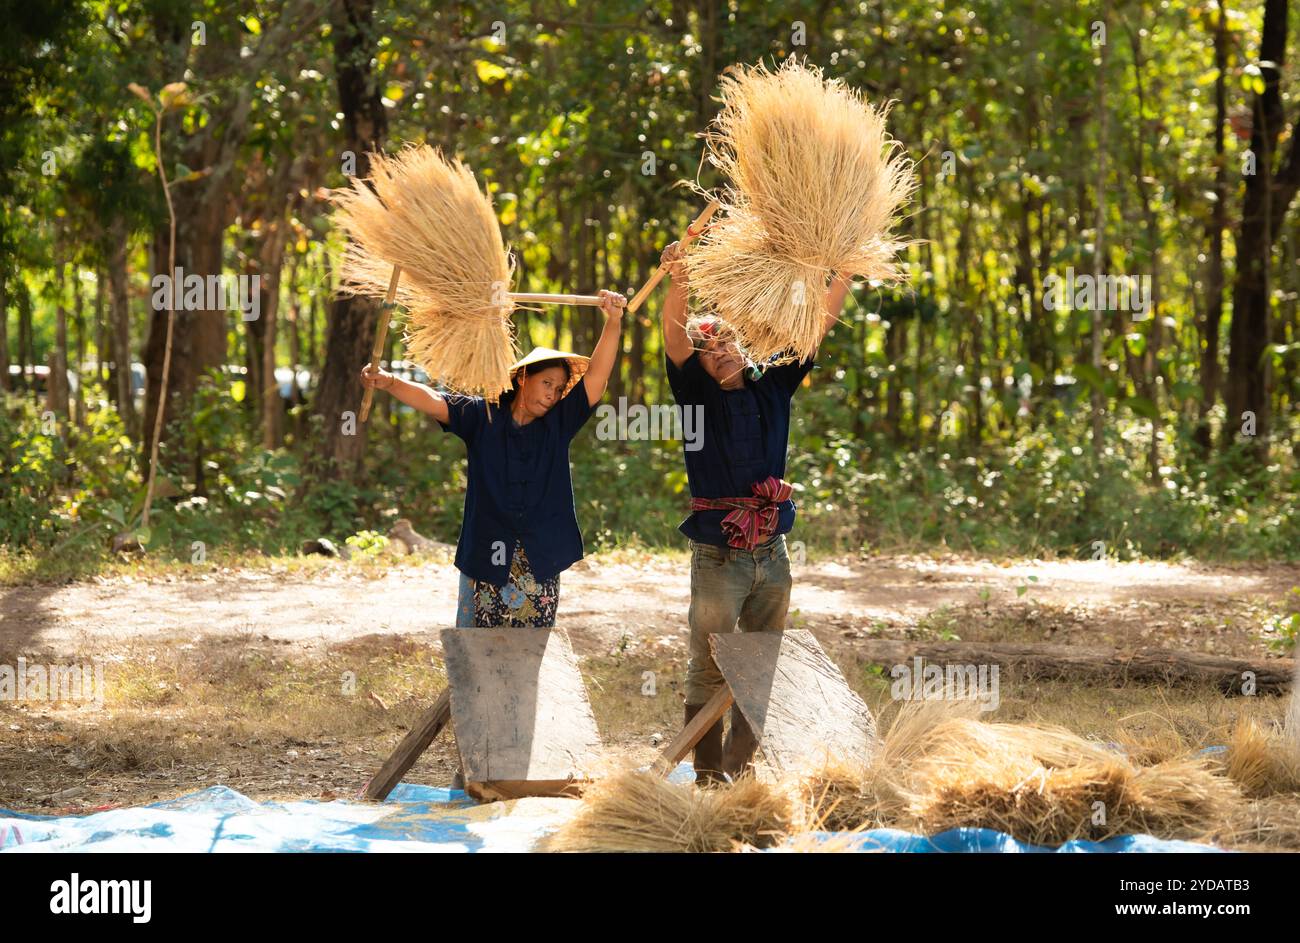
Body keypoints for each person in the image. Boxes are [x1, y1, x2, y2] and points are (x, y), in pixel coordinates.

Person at [359, 288, 625, 785]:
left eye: (558, 387)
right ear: (522, 378)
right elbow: (435, 403)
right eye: (545, 383)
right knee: (478, 663)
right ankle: (477, 771)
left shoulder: (560, 425)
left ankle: (521, 769)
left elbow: (599, 379)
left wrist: (612, 321)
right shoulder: (482, 417)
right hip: (487, 562)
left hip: (538, 564)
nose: (552, 393)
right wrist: (390, 382)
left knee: (528, 665)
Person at [659, 240, 851, 784]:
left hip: (773, 548)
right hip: (718, 553)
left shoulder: (774, 388)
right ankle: (707, 771)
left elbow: (816, 328)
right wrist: (678, 281)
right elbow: (674, 338)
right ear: (698, 362)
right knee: (709, 661)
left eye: (727, 343)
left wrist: (846, 272)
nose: (719, 352)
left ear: (744, 348)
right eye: (708, 347)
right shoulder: (696, 394)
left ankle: (740, 775)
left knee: (762, 661)